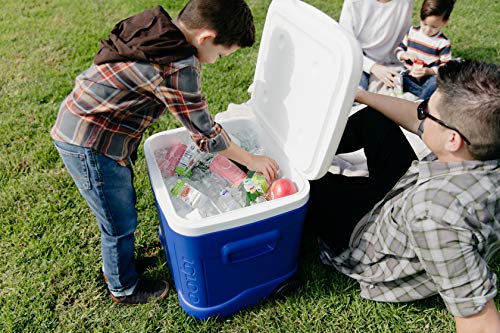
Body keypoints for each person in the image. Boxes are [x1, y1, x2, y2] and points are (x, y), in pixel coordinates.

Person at [50, 0, 279, 305]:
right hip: (90, 142)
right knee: (118, 221)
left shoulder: (156, 28)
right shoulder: (176, 64)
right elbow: (206, 134)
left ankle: (121, 263)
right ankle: (123, 287)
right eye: (222, 54)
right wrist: (251, 160)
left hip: (86, 123)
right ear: (206, 38)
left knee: (121, 206)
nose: (216, 61)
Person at [306, 60, 500, 332]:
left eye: (426, 111)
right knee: (374, 117)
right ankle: (310, 153)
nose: (420, 114)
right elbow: (413, 117)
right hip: (404, 191)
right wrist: (358, 94)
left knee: (307, 185)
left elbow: (480, 323)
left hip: (364, 241)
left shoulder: (437, 215)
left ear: (453, 140)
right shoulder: (485, 142)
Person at [339, 0, 413, 91]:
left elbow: (402, 38)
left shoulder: (405, 3)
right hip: (359, 61)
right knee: (353, 94)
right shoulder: (354, 3)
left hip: (392, 64)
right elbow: (345, 46)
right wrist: (372, 67)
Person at [395, 0, 455, 100]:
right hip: (409, 74)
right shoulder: (412, 32)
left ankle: (420, 100)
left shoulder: (443, 42)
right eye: (424, 24)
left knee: (435, 83)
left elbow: (445, 66)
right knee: (397, 77)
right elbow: (398, 50)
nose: (427, 30)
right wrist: (405, 55)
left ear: (445, 21)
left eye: (434, 27)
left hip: (427, 77)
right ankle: (424, 95)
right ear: (420, 18)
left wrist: (429, 71)